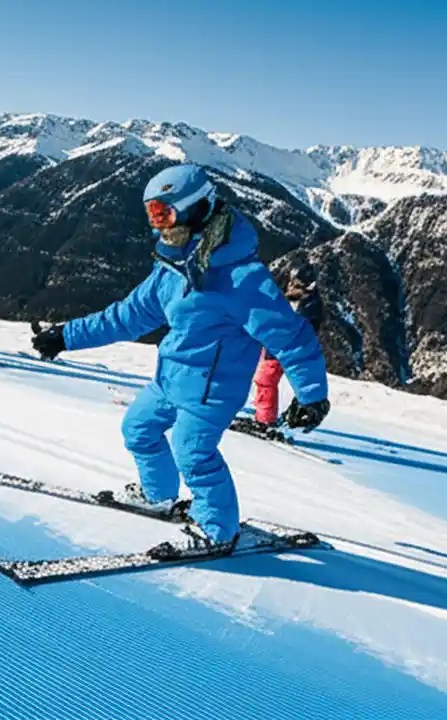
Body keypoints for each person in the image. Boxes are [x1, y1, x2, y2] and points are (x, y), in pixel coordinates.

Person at [30, 164, 331, 557]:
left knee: (193, 453)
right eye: (152, 214)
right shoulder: (172, 269)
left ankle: (218, 531)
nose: (158, 225)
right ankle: (159, 496)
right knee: (138, 429)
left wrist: (312, 395)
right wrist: (65, 336)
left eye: (164, 214)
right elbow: (126, 316)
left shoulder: (242, 278)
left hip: (213, 388)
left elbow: (290, 335)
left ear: (196, 208)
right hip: (170, 379)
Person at [253, 265, 324, 429]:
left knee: (265, 380)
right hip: (283, 350)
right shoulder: (304, 303)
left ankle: (265, 420)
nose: (291, 287)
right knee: (268, 380)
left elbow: (291, 328)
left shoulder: (304, 306)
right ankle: (273, 416)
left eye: (296, 284)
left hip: (282, 351)